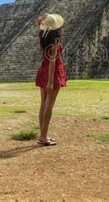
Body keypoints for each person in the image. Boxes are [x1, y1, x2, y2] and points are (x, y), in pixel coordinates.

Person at [35, 13, 67, 146]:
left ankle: (43, 134)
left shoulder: (43, 38)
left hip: (43, 69)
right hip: (52, 73)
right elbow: (53, 61)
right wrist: (50, 81)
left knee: (43, 104)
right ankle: (43, 136)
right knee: (50, 104)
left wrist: (40, 21)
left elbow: (40, 26)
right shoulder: (55, 41)